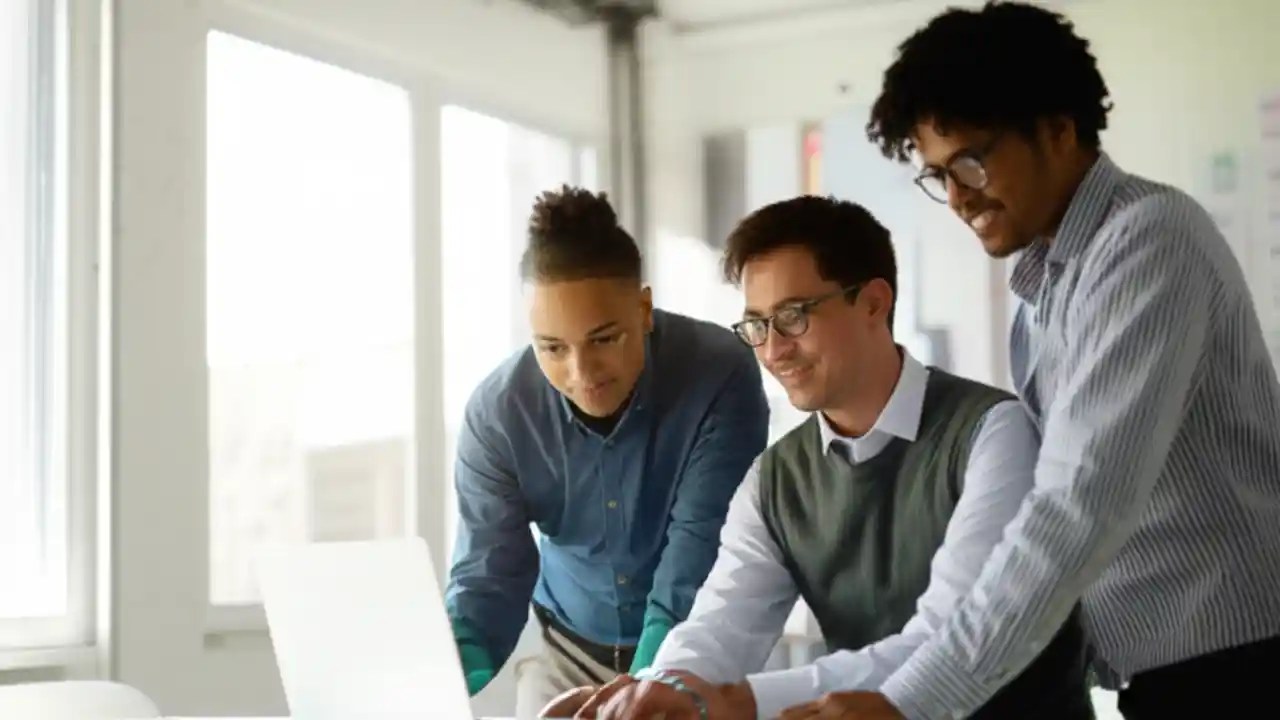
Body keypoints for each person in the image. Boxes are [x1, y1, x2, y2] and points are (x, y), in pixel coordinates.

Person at [777, 2, 1280, 719]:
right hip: (1171, 672)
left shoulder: (1147, 243)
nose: (957, 197)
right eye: (939, 175)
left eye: (973, 161)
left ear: (1058, 128)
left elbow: (1080, 502)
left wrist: (908, 705)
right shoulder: (1046, 290)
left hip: (1241, 666)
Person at [539, 196, 1093, 720]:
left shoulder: (994, 434)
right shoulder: (775, 480)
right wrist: (667, 687)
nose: (773, 349)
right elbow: (724, 621)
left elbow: (945, 641)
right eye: (757, 325)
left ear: (875, 302)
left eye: (795, 316)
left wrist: (734, 702)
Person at [444, 185, 769, 719]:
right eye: (552, 348)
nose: (582, 373)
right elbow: (489, 572)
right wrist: (445, 670)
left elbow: (698, 548)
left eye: (603, 339)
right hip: (562, 653)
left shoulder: (718, 373)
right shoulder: (498, 412)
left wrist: (647, 684)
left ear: (643, 309)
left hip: (694, 648)